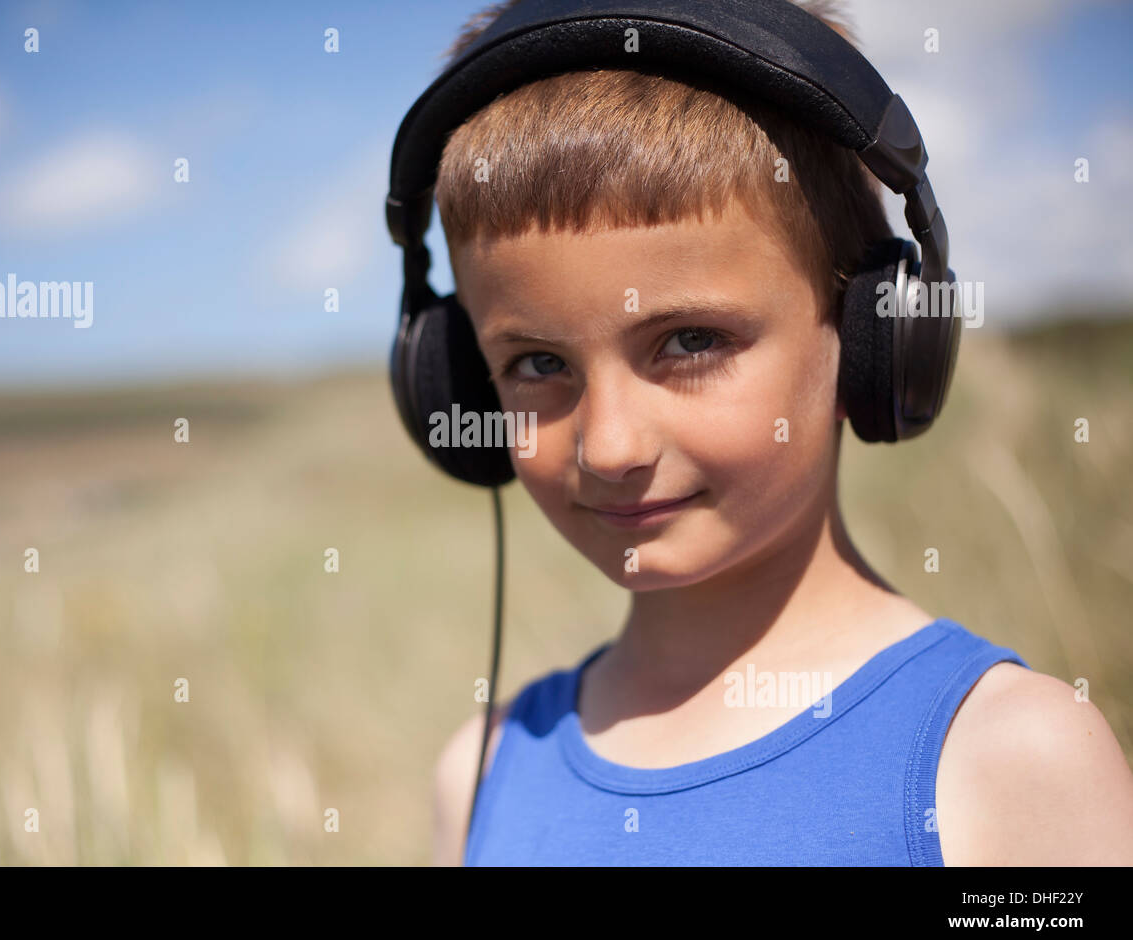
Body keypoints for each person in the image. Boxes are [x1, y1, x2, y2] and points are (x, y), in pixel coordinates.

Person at [420, 0, 1133, 865]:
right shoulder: (485, 773)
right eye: (537, 364)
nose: (608, 447)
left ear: (877, 338)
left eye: (691, 342)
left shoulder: (1005, 761)